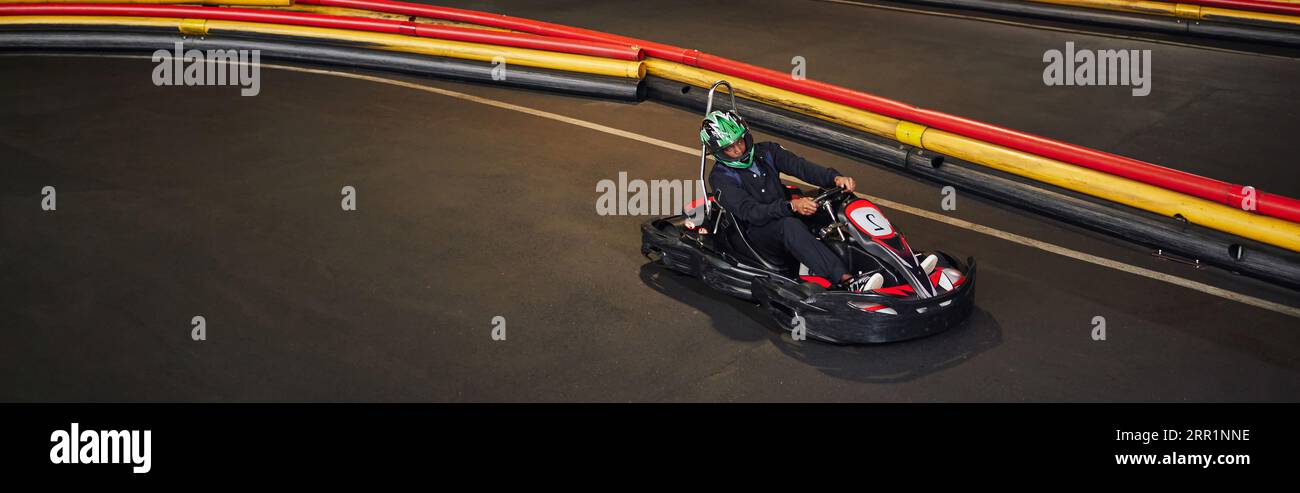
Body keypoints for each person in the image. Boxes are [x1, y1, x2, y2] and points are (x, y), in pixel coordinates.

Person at [699, 109, 876, 291]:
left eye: (739, 141)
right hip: (757, 233)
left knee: (839, 201)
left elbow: (801, 167)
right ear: (719, 151)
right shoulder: (721, 177)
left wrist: (835, 179)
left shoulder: (767, 151)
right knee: (789, 226)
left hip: (786, 211)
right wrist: (790, 206)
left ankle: (881, 256)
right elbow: (751, 212)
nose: (738, 149)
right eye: (729, 148)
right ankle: (846, 280)